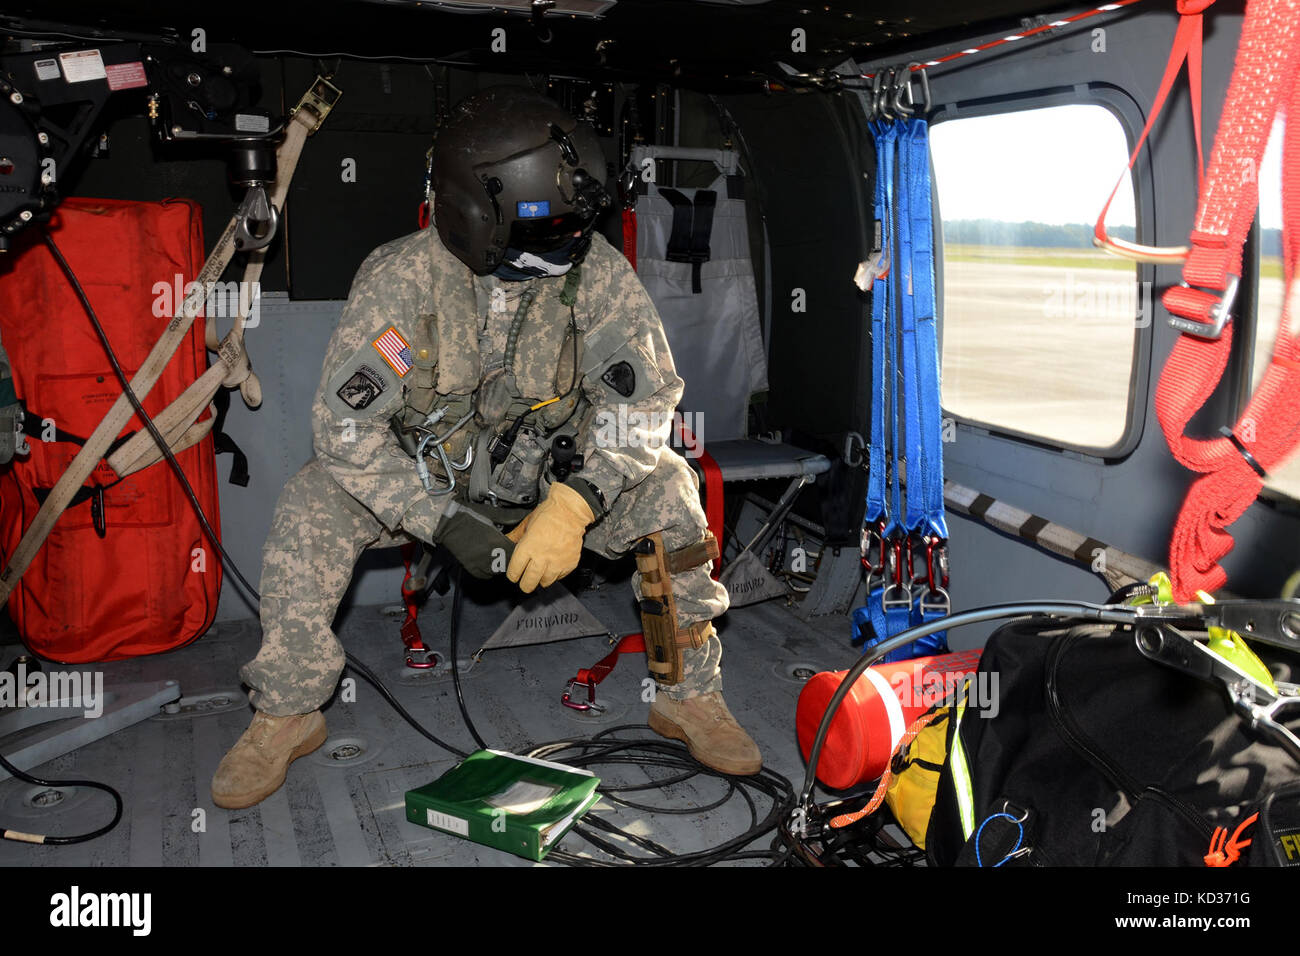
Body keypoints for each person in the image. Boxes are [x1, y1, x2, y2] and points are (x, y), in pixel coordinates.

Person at [211, 86, 761, 811]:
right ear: (474, 219)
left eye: (576, 227)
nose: (570, 247)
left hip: (552, 488)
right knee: (314, 499)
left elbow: (646, 402)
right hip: (428, 488)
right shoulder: (400, 282)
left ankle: (689, 695)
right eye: (550, 232)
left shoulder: (594, 275)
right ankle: (287, 710)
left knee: (668, 489)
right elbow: (346, 433)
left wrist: (578, 500)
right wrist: (437, 521)